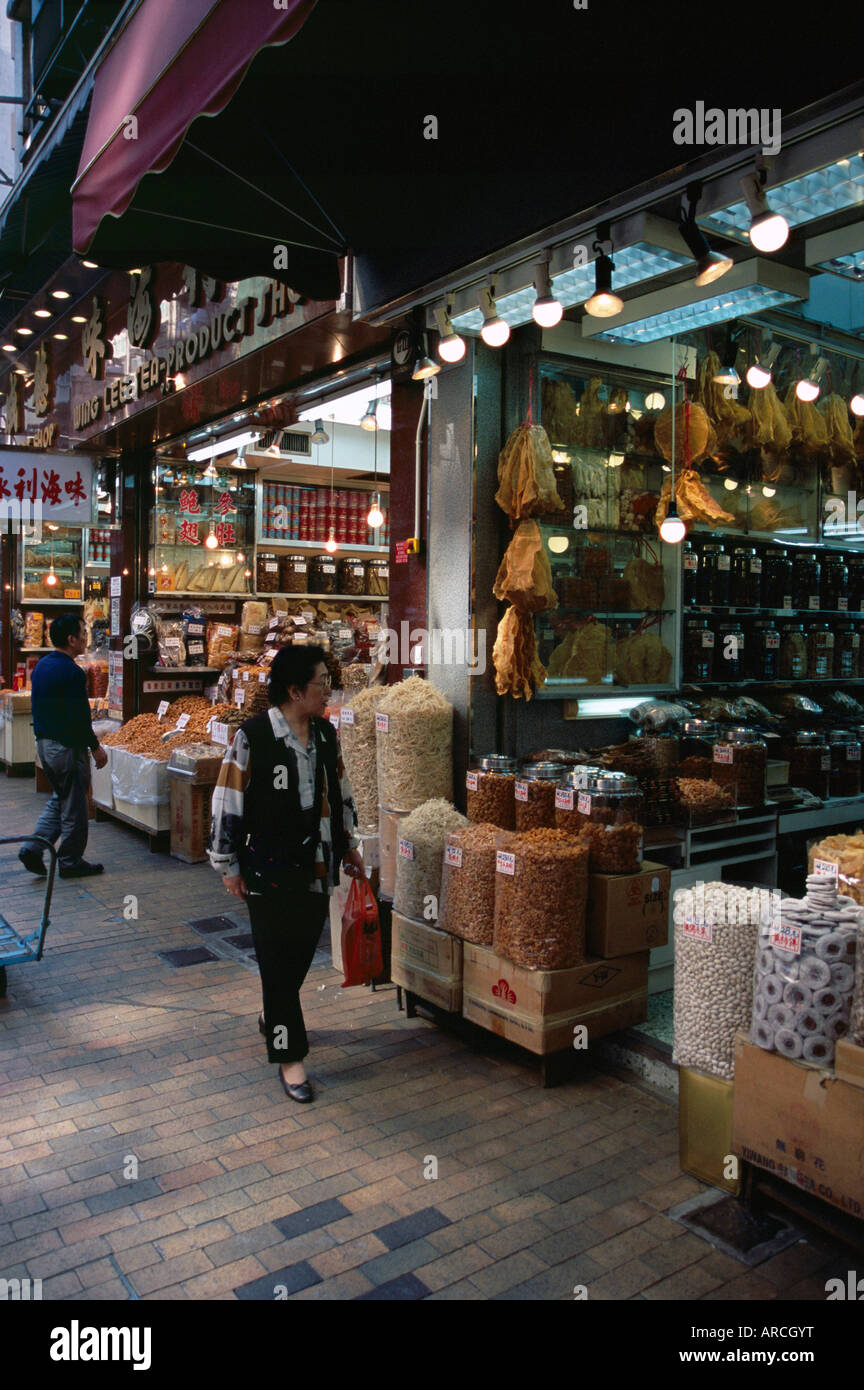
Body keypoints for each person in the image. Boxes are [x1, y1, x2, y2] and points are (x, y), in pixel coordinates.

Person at [208, 645, 365, 1103]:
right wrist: (227, 864)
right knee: (277, 966)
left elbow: (341, 790)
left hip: (316, 866)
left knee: (296, 957)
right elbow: (228, 801)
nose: (328, 690)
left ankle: (272, 1013)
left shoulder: (325, 735)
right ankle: (289, 1055)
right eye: (321, 682)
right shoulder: (254, 737)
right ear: (295, 690)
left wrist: (349, 845)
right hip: (267, 869)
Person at [20, 613, 108, 880]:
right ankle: (70, 861)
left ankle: (33, 847)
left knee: (61, 799)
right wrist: (95, 747)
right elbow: (79, 716)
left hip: (45, 746)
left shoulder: (43, 666)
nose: (85, 637)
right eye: (82, 633)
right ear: (71, 639)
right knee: (75, 808)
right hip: (67, 748)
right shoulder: (71, 671)